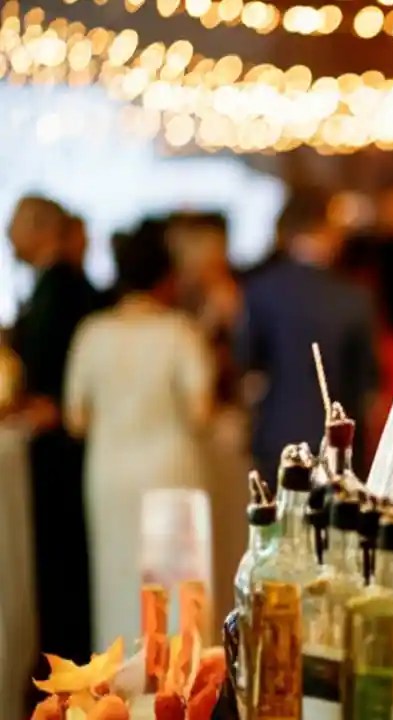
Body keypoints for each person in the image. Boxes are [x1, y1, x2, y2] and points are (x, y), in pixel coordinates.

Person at [64, 222, 214, 653]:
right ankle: (179, 690)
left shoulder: (92, 332)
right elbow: (200, 411)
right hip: (169, 468)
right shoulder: (179, 332)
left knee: (116, 577)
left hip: (110, 471)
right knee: (174, 586)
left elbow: (77, 419)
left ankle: (116, 685)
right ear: (166, 276)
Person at [4, 195, 99, 666]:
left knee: (61, 564)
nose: (7, 236)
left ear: (40, 229)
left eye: (15, 225)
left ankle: (63, 668)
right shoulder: (52, 286)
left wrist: (50, 406)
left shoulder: (63, 289)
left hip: (62, 454)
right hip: (57, 449)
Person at [236, 189, 379, 486]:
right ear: (326, 227)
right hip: (340, 441)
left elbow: (248, 365)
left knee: (278, 525)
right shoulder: (354, 297)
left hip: (276, 434)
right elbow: (367, 383)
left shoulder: (261, 290)